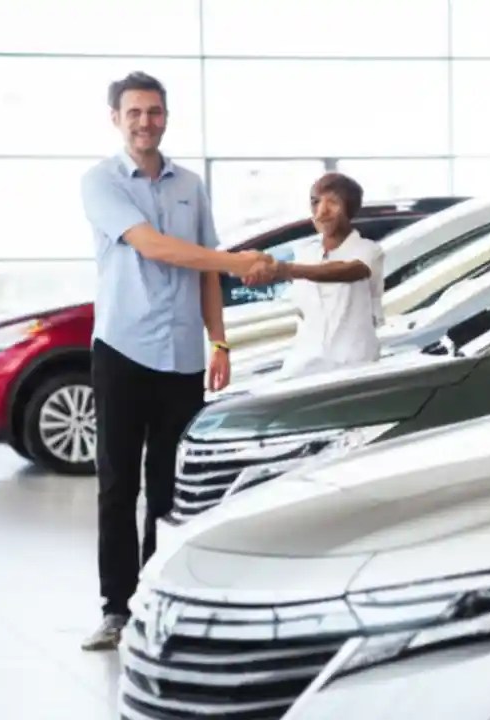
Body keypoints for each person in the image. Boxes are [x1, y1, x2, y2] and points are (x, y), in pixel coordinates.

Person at [78, 71, 273, 651]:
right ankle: (117, 607)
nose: (146, 121)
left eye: (155, 111)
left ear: (167, 116)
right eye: (135, 111)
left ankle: (158, 598)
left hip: (183, 352)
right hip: (122, 348)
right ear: (116, 117)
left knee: (170, 485)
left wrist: (219, 340)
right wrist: (237, 260)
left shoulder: (190, 183)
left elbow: (205, 269)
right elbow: (154, 246)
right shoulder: (101, 182)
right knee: (118, 484)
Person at [244, 173, 384, 377]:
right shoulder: (305, 251)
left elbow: (350, 271)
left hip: (353, 365)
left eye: (333, 203)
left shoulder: (368, 250)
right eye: (315, 203)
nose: (322, 212)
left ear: (350, 209)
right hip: (304, 365)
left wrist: (285, 270)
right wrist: (255, 268)